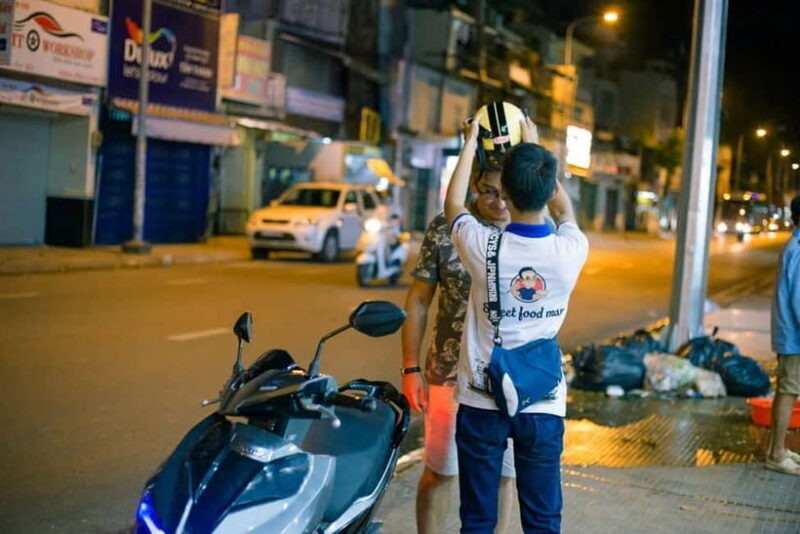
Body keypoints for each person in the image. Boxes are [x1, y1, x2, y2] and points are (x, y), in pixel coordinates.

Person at [444, 115, 588, 533]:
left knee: (476, 520)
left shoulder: (482, 244)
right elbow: (565, 209)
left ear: (503, 192)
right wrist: (539, 150)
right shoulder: (572, 249)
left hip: (481, 399)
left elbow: (452, 205)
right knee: (543, 521)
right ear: (550, 189)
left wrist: (471, 141)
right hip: (541, 401)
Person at [401, 158, 516, 534]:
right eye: (489, 192)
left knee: (502, 476)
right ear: (474, 187)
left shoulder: (531, 229)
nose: (499, 202)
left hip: (510, 379)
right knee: (441, 471)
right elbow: (418, 300)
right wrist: (410, 368)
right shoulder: (447, 227)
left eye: (507, 193)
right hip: (449, 376)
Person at [766, 194, 800, 476]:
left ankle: (777, 449)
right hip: (794, 336)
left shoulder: (795, 245)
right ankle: (776, 454)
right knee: (788, 391)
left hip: (790, 333)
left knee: (786, 391)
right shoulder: (798, 250)